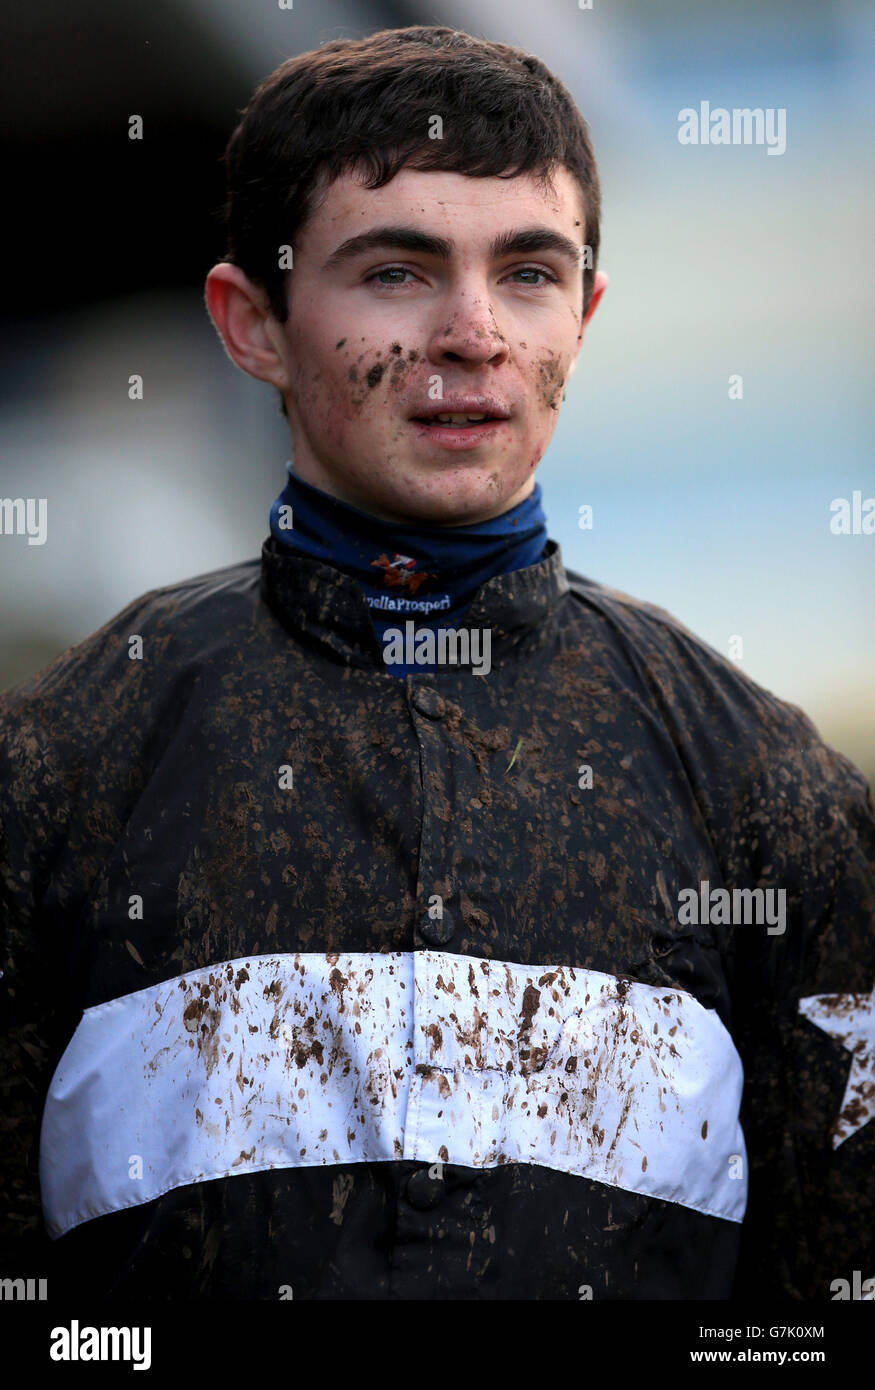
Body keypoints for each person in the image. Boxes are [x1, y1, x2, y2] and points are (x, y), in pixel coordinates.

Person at [1, 24, 872, 1302]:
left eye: (525, 272)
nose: (470, 333)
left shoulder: (772, 796)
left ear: (583, 316)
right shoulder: (57, 770)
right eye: (397, 271)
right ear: (252, 323)